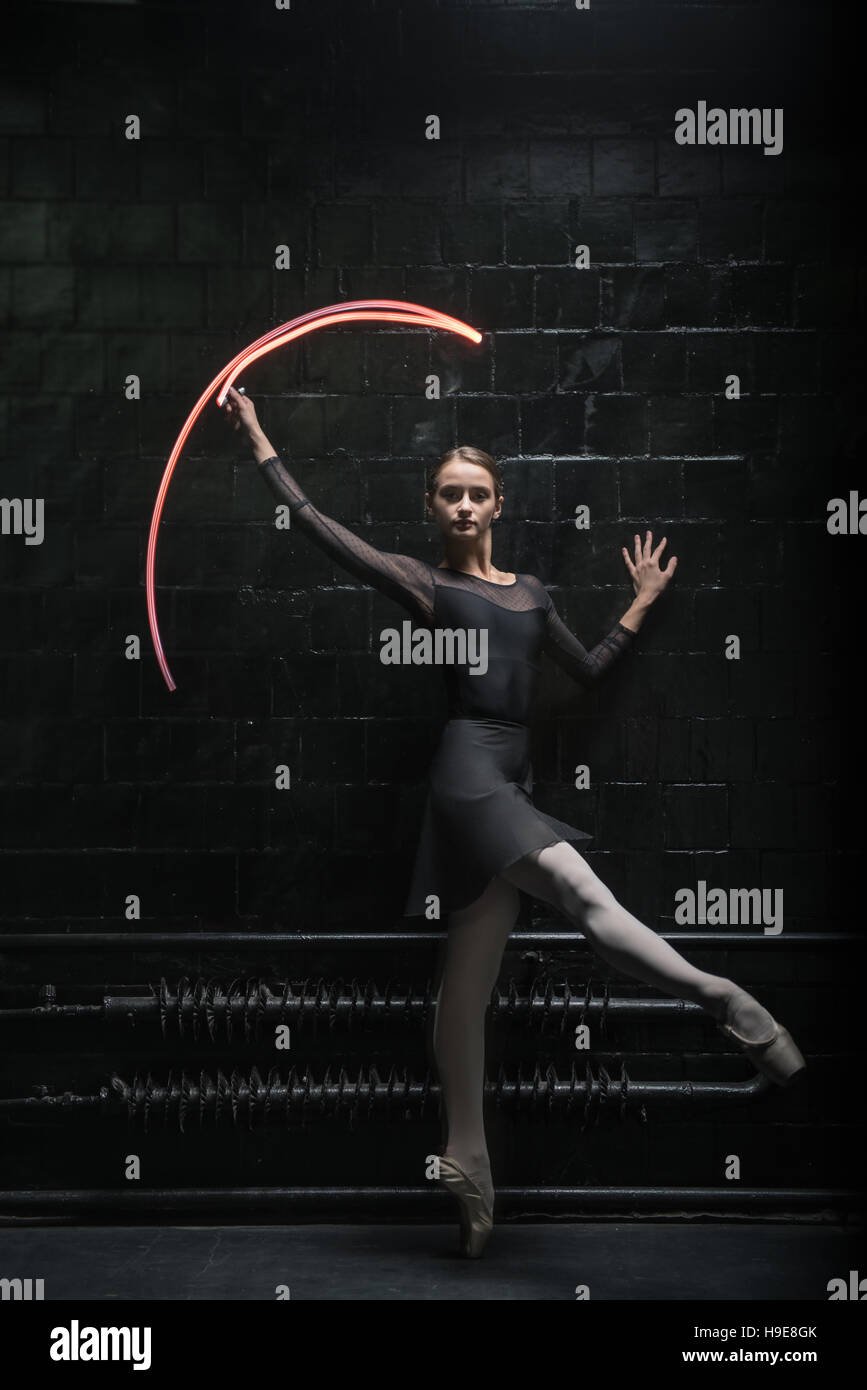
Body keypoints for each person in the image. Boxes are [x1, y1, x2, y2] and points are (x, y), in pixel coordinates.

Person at [223, 385, 806, 1258]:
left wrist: (641, 600)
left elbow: (589, 669)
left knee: (464, 993)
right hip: (466, 777)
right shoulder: (425, 583)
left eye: (475, 493)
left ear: (498, 504)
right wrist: (259, 436)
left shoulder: (529, 594)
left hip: (508, 776)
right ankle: (732, 1006)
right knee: (579, 894)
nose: (461, 504)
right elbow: (316, 526)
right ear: (432, 507)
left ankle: (470, 1166)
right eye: (447, 493)